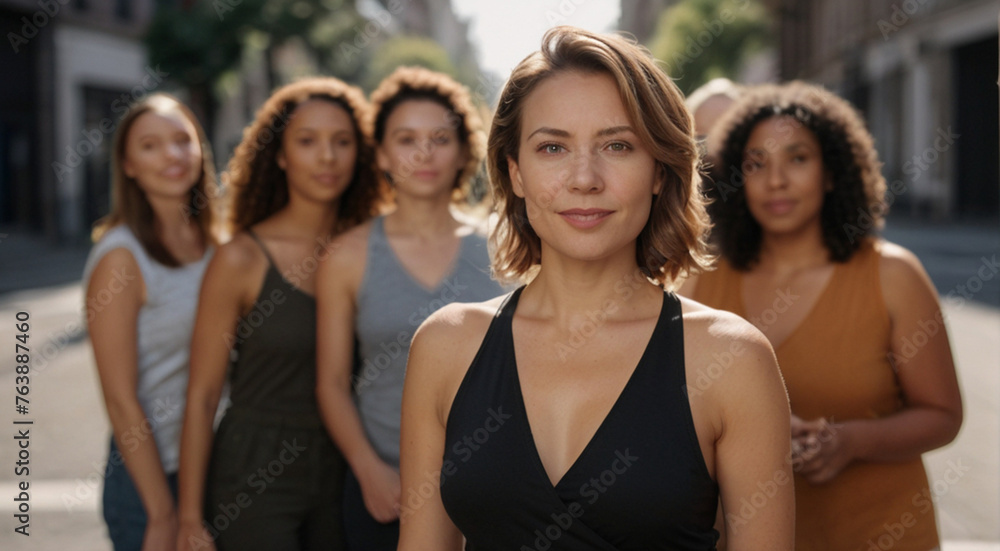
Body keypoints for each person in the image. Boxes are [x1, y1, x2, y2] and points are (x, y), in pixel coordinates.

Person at [397, 26, 794, 550]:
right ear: (515, 172)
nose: (584, 178)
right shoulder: (445, 347)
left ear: (659, 171)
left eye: (617, 145)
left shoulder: (732, 359)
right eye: (553, 147)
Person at [682, 81, 963, 551]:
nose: (776, 180)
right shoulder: (702, 280)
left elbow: (943, 415)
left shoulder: (892, 275)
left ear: (832, 172)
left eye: (797, 158)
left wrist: (851, 441)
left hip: (880, 533)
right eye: (756, 163)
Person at [175, 77, 383, 551]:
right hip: (254, 468)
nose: (327, 157)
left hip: (346, 467)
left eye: (342, 141)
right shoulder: (240, 259)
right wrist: (188, 517)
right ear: (281, 155)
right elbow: (202, 395)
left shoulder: (372, 250)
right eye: (307, 141)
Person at [315, 66, 505, 551]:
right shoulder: (347, 254)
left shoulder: (502, 248)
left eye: (440, 138)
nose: (424, 153)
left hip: (491, 489)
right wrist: (368, 470)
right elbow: (331, 383)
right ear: (380, 152)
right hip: (386, 490)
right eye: (406, 139)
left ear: (462, 150)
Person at [83, 93, 217, 551]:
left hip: (217, 470)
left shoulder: (220, 244)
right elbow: (120, 399)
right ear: (128, 165)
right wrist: (163, 513)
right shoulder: (120, 258)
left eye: (182, 140)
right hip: (153, 480)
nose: (172, 155)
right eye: (150, 146)